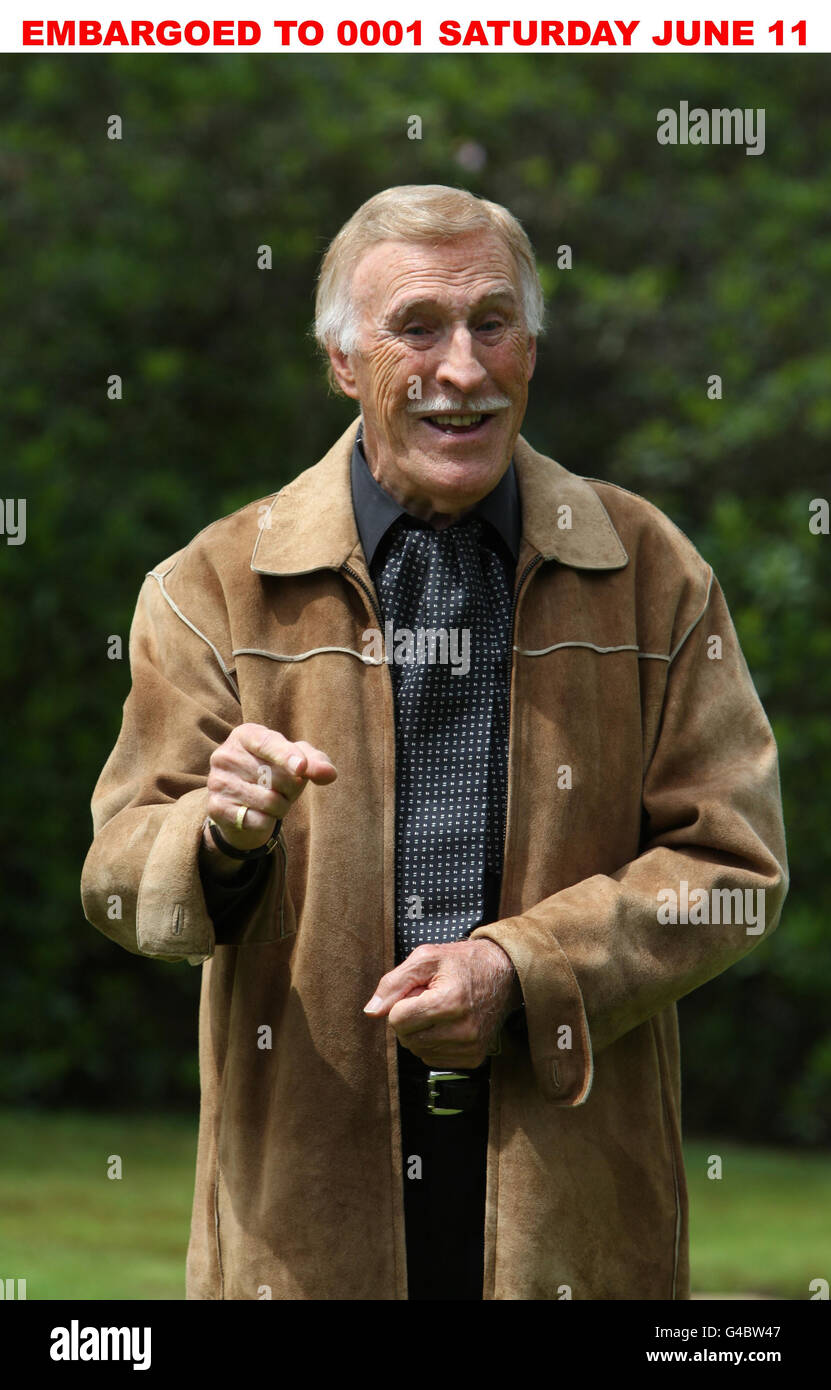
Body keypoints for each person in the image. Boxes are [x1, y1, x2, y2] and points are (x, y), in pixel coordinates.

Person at [81, 184, 788, 1301]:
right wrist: (217, 835)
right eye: (417, 326)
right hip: (303, 1201)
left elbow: (734, 869)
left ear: (533, 353)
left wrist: (522, 967)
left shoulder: (653, 573)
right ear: (344, 364)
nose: (462, 367)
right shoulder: (208, 587)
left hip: (575, 1194)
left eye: (492, 324)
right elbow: (118, 876)